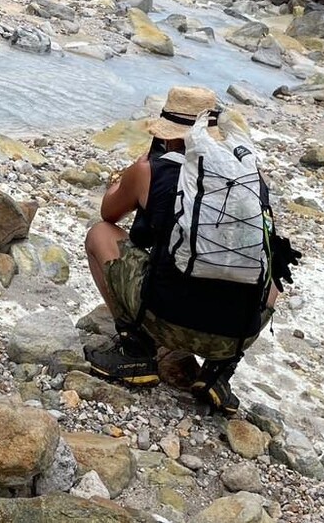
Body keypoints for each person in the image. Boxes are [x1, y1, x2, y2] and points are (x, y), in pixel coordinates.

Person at [83, 85, 299, 414]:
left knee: (99, 235)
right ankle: (218, 373)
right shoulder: (247, 178)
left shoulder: (150, 171)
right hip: (232, 337)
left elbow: (108, 214)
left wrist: (133, 173)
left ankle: (136, 351)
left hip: (164, 321)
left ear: (166, 135)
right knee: (270, 279)